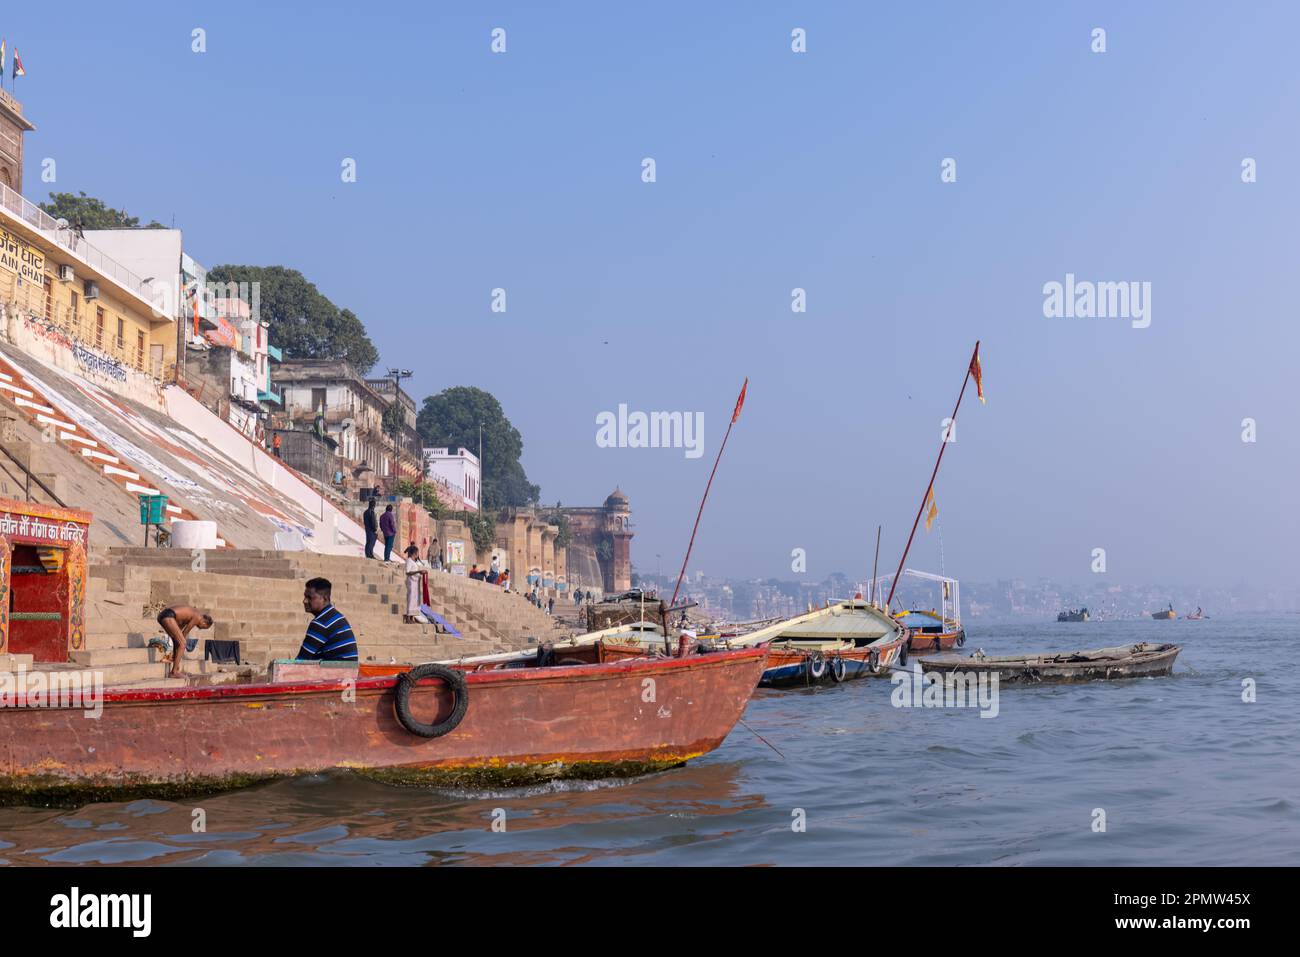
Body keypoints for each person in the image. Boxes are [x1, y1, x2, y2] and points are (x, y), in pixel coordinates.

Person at [297, 578, 358, 661]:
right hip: (346, 671)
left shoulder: (321, 623)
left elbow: (300, 661)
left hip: (337, 673)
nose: (304, 601)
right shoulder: (336, 616)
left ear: (324, 598)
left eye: (309, 597)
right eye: (304, 596)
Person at [155, 604, 214, 679]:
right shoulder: (198, 617)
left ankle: (173, 660)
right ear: (204, 623)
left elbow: (178, 635)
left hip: (162, 615)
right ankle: (174, 672)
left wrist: (177, 658)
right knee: (183, 643)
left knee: (177, 640)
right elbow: (185, 633)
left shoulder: (190, 615)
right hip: (168, 616)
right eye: (203, 628)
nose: (200, 628)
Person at [403, 545, 426, 624]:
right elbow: (408, 572)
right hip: (411, 583)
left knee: (415, 601)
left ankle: (412, 617)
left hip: (416, 583)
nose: (418, 554)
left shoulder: (413, 562)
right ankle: (408, 617)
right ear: (414, 553)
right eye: (417, 553)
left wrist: (421, 573)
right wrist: (419, 572)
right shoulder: (409, 560)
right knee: (411, 600)